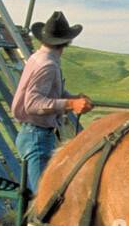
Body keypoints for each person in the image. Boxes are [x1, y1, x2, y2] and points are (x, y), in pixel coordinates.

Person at [10, 11, 94, 194]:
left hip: (33, 134)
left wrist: (73, 98)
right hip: (37, 135)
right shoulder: (47, 65)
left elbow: (50, 93)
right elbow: (32, 103)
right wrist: (70, 105)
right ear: (66, 42)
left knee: (44, 194)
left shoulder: (38, 58)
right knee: (44, 198)